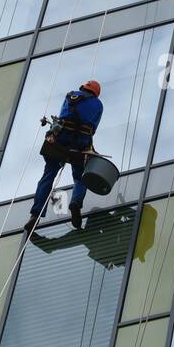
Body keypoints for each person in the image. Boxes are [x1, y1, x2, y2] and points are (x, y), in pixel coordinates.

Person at [24, 81, 103, 234]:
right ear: (96, 93)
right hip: (81, 143)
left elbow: (62, 115)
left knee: (48, 176)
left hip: (61, 139)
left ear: (83, 87)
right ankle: (75, 202)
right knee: (80, 177)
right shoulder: (98, 105)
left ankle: (35, 214)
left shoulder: (71, 95)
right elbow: (93, 128)